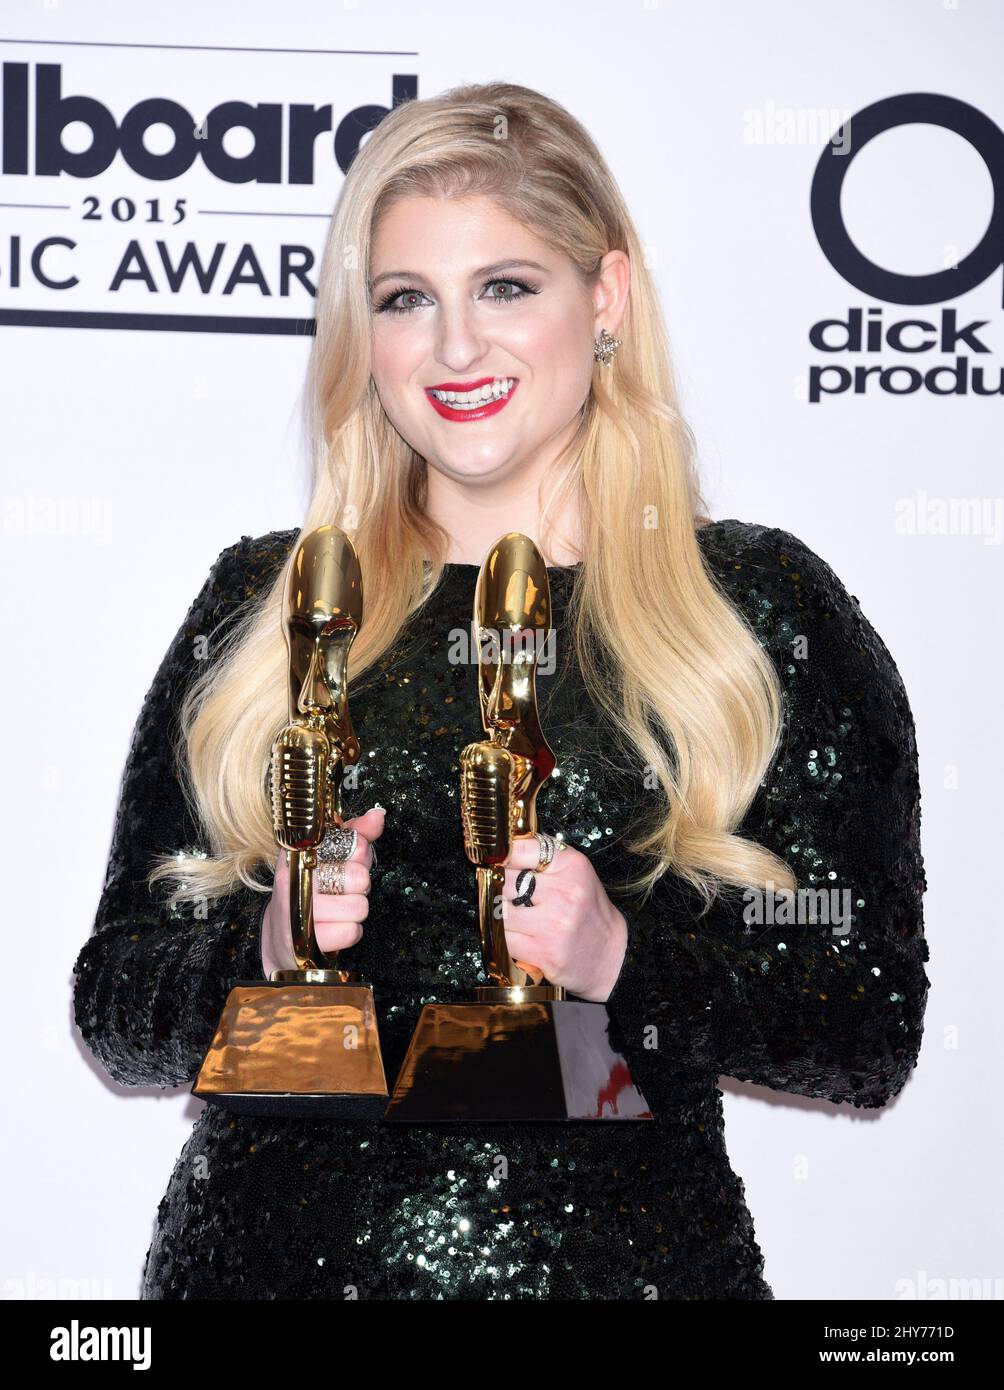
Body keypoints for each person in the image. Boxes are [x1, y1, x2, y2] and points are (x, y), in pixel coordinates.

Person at [72, 80, 930, 1300]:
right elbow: (114, 1002)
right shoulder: (269, 601)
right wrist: (258, 951)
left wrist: (624, 955)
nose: (455, 346)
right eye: (406, 300)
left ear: (607, 298)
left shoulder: (755, 606)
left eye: (506, 288)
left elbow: (867, 1016)